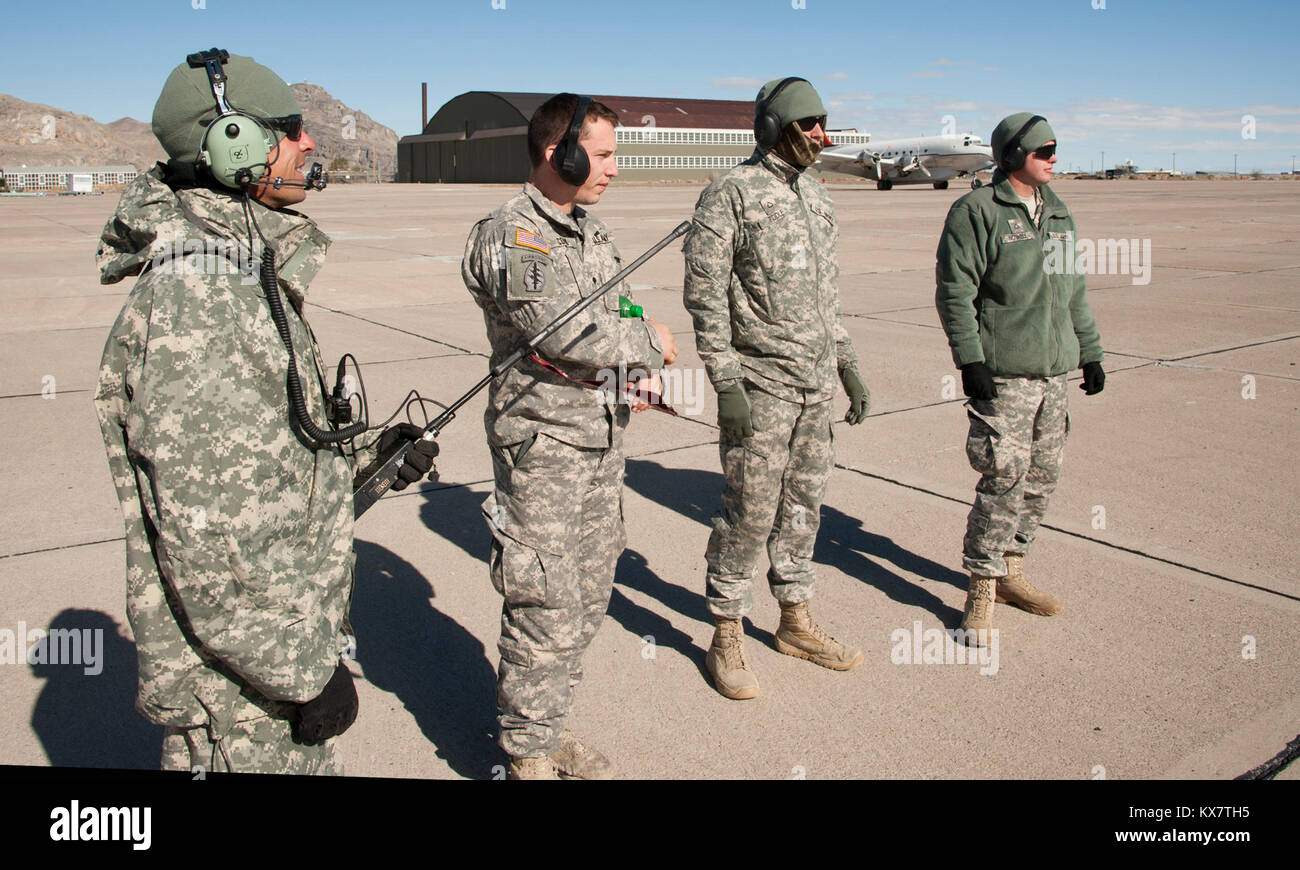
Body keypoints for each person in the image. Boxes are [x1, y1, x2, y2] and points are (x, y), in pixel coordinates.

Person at [94, 50, 436, 774]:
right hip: (241, 704)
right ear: (233, 146)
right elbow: (206, 544)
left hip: (262, 674)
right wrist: (303, 673)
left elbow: (260, 476)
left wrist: (371, 460)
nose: (310, 143)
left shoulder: (241, 271)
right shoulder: (203, 300)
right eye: (290, 129)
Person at [462, 93, 678, 779]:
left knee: (588, 592)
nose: (614, 168)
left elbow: (620, 304)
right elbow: (561, 331)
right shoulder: (515, 234)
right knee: (545, 598)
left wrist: (632, 374)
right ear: (563, 152)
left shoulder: (591, 232)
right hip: (544, 444)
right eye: (606, 154)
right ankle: (525, 753)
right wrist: (651, 344)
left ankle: (547, 728)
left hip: (601, 437)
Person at [682, 77, 869, 701]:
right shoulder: (729, 194)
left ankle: (794, 619)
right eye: (810, 123)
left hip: (815, 386)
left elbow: (829, 296)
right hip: (760, 386)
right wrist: (725, 381)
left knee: (803, 507)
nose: (823, 134)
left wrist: (846, 362)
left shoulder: (817, 196)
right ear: (776, 128)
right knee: (749, 511)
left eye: (825, 122)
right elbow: (704, 297)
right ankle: (727, 631)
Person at [935, 112, 1105, 643]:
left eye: (1055, 150)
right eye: (1043, 152)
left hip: (1054, 373)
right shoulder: (976, 211)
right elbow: (955, 290)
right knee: (1002, 479)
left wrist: (1091, 352)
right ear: (1012, 157)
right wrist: (970, 359)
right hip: (1004, 375)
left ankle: (1013, 570)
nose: (1054, 159)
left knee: (1041, 478)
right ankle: (981, 585)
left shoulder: (1057, 212)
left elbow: (1072, 288)